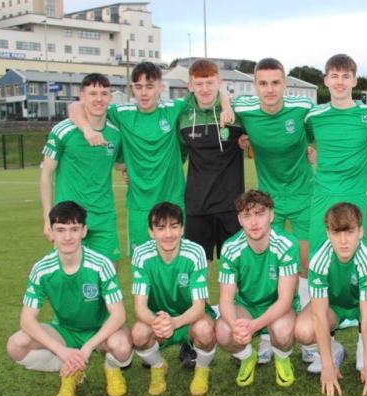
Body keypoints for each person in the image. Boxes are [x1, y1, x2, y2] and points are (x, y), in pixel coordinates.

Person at [67, 61, 233, 255]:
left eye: (149, 86)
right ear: (132, 89)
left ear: (161, 88)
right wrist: (87, 130)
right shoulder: (122, 114)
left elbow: (210, 90)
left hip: (173, 200)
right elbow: (76, 105)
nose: (143, 93)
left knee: (178, 263)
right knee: (143, 263)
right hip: (139, 205)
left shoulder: (173, 108)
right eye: (138, 87)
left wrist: (226, 106)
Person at [6, 201, 132, 396]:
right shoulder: (41, 269)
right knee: (16, 345)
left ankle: (112, 368)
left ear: (84, 231)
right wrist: (62, 352)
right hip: (65, 331)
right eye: (61, 229)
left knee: (122, 348)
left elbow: (118, 315)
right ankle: (71, 371)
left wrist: (88, 347)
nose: (67, 237)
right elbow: (27, 320)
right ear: (52, 232)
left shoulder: (101, 264)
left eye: (74, 229)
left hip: (100, 331)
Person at [233, 59, 315, 363]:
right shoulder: (245, 109)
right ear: (255, 85)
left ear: (285, 84)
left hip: (305, 194)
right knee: (272, 269)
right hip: (270, 202)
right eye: (263, 83)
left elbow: (323, 127)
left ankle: (309, 339)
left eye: (275, 82)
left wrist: (315, 148)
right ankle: (267, 336)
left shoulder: (302, 108)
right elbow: (213, 96)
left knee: (305, 267)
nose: (269, 89)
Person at [294, 202, 367, 396]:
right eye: (337, 233)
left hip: (365, 305)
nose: (343, 241)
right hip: (334, 306)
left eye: (350, 232)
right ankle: (333, 350)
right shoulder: (319, 259)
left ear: (361, 232)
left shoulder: (366, 257)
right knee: (303, 330)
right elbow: (319, 315)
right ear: (328, 233)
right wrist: (328, 366)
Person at [130, 202, 216, 396]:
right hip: (158, 319)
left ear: (182, 228)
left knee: (204, 330)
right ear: (151, 232)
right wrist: (156, 322)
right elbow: (140, 308)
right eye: (161, 228)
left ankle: (202, 370)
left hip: (189, 319)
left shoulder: (195, 253)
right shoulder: (141, 255)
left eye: (174, 226)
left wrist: (174, 322)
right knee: (138, 333)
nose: (168, 234)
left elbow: (199, 307)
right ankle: (158, 366)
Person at [215, 190, 299, 388]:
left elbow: (285, 300)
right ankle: (247, 357)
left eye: (260, 214)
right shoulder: (230, 247)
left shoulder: (287, 244)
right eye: (247, 216)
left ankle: (282, 358)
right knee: (223, 331)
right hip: (246, 307)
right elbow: (226, 299)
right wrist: (236, 325)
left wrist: (254, 326)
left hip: (277, 306)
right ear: (239, 220)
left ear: (271, 215)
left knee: (282, 330)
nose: (253, 222)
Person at [40, 73, 122, 262]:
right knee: (70, 277)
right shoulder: (62, 130)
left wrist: (126, 171)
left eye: (104, 93)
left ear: (110, 98)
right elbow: (46, 175)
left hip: (104, 216)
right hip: (70, 218)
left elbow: (118, 163)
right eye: (93, 93)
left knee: (110, 273)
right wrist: (47, 219)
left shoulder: (115, 134)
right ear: (82, 96)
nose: (99, 99)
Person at [305, 54, 367, 252]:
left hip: (357, 194)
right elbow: (304, 141)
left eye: (346, 76)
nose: (340, 82)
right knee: (319, 255)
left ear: (354, 80)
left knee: (364, 257)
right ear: (326, 80)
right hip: (323, 194)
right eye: (334, 76)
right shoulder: (314, 116)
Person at [178, 58, 245, 265]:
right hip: (197, 206)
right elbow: (175, 156)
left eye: (209, 83)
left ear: (219, 82)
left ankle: (230, 300)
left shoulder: (237, 113)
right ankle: (201, 300)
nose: (205, 89)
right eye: (199, 84)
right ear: (190, 86)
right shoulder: (182, 115)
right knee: (199, 267)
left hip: (232, 206)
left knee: (233, 267)